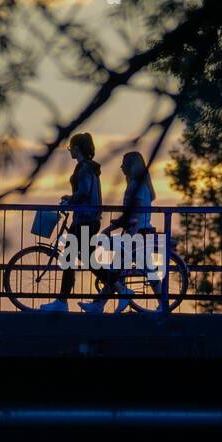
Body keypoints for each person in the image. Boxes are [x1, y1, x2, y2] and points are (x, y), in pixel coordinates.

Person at [79, 150, 156, 314]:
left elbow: (134, 213)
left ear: (131, 166)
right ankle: (100, 303)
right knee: (117, 270)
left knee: (144, 270)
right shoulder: (140, 185)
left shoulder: (137, 185)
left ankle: (161, 302)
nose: (121, 166)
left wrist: (112, 228)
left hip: (136, 233)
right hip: (138, 232)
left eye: (124, 164)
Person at [41, 132, 103, 313]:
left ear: (77, 148)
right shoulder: (89, 168)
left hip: (85, 219)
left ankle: (117, 286)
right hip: (88, 218)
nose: (70, 151)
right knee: (77, 258)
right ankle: (62, 300)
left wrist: (70, 200)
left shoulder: (84, 168)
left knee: (74, 258)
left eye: (70, 148)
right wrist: (71, 198)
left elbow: (84, 192)